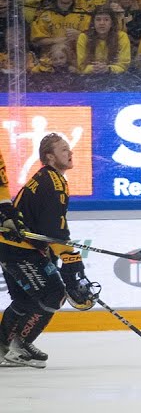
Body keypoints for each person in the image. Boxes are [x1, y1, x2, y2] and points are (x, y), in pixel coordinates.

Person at [0, 134, 98, 368]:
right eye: (64, 150)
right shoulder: (52, 182)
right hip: (18, 249)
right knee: (53, 294)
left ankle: (7, 347)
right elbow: (53, 228)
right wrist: (70, 257)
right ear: (50, 157)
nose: (70, 153)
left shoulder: (49, 178)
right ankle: (18, 347)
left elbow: (51, 227)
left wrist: (66, 255)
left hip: (16, 247)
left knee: (25, 300)